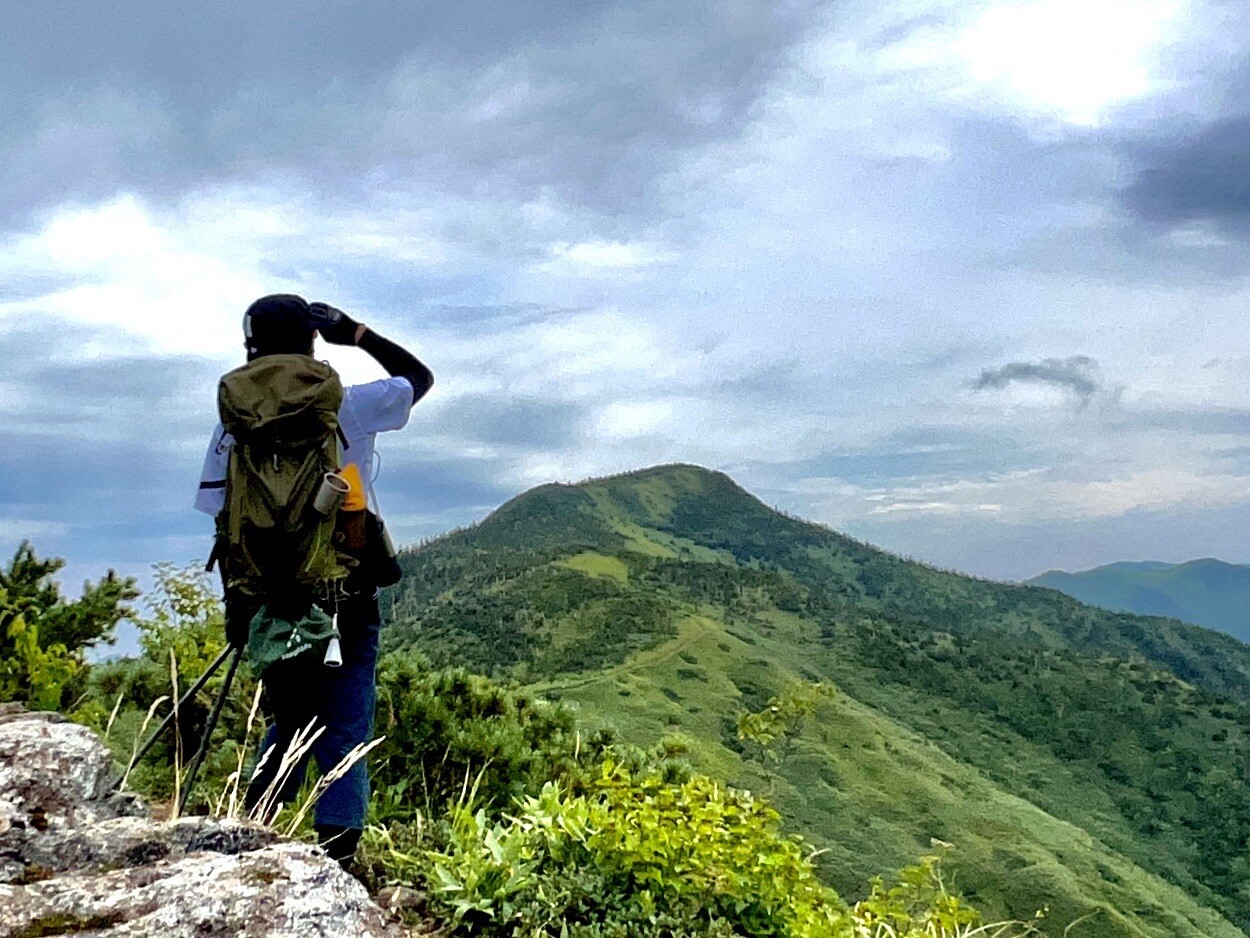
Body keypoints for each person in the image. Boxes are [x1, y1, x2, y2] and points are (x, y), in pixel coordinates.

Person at [194, 293, 432, 865]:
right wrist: (358, 333)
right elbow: (418, 379)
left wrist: (240, 607)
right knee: (346, 726)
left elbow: (220, 517)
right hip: (344, 595)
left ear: (250, 347)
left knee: (291, 721)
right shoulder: (349, 405)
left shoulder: (233, 426)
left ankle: (248, 838)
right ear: (311, 342)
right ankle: (337, 865)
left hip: (267, 602)